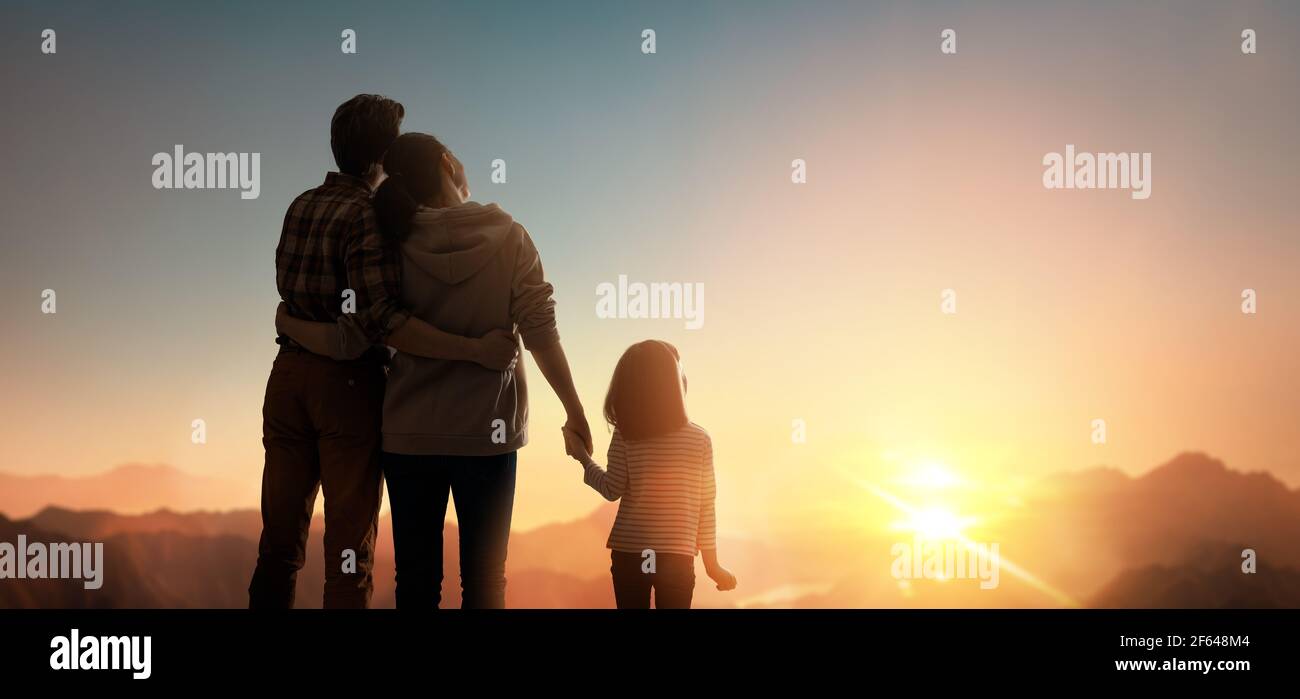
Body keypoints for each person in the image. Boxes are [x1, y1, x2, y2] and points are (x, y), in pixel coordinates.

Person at [276, 131, 592, 608]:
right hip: (488, 433)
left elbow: (378, 325)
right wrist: (574, 409)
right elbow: (540, 331)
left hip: (408, 435)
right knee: (486, 583)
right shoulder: (509, 235)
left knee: (417, 585)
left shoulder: (391, 242)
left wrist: (287, 321)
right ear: (448, 163)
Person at [250, 96, 519, 609]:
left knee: (278, 546)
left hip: (286, 379)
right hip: (345, 389)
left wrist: (286, 322)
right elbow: (381, 324)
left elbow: (291, 299)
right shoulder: (369, 216)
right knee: (349, 556)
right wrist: (473, 349)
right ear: (382, 157)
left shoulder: (300, 204)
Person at [563, 340, 736, 609]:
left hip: (629, 556)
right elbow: (706, 507)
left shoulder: (626, 434)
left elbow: (612, 489)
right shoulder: (700, 439)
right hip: (678, 558)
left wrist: (582, 458)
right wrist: (712, 566)